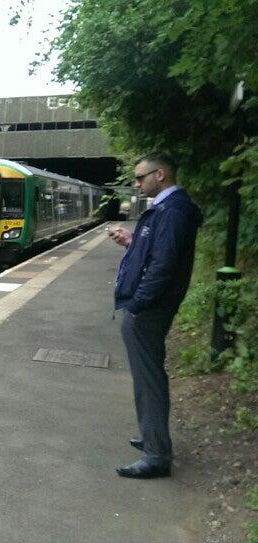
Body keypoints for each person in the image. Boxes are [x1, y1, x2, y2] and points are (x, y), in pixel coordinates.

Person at [107, 152, 202, 479]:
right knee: (146, 375)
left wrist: (137, 304)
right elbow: (157, 253)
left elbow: (164, 267)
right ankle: (151, 436)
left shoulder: (173, 211)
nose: (136, 183)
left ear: (160, 175)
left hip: (148, 308)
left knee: (148, 377)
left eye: (140, 177)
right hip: (147, 305)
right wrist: (132, 242)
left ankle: (157, 455)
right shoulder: (166, 210)